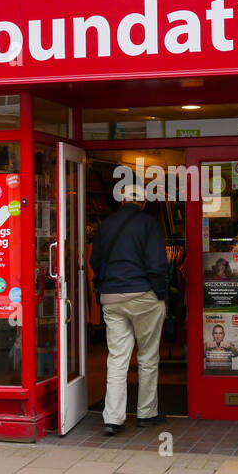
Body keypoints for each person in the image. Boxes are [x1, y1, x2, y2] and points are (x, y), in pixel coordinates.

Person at [91, 182, 168, 434]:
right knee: (147, 355)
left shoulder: (107, 225)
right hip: (143, 295)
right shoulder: (149, 224)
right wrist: (162, 295)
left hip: (111, 298)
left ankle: (113, 418)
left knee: (117, 358)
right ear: (143, 203)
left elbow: (95, 260)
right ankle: (146, 413)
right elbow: (158, 264)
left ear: (122, 200)